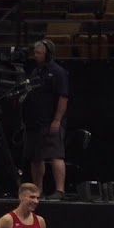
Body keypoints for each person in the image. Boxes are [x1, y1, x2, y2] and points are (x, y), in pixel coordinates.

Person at [22, 39, 70, 200]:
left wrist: (57, 120)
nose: (36, 56)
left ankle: (60, 190)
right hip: (35, 122)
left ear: (48, 54)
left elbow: (63, 97)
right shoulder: (36, 72)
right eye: (35, 53)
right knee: (36, 157)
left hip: (51, 121)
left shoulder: (58, 72)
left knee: (55, 154)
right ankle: (38, 190)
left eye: (39, 53)